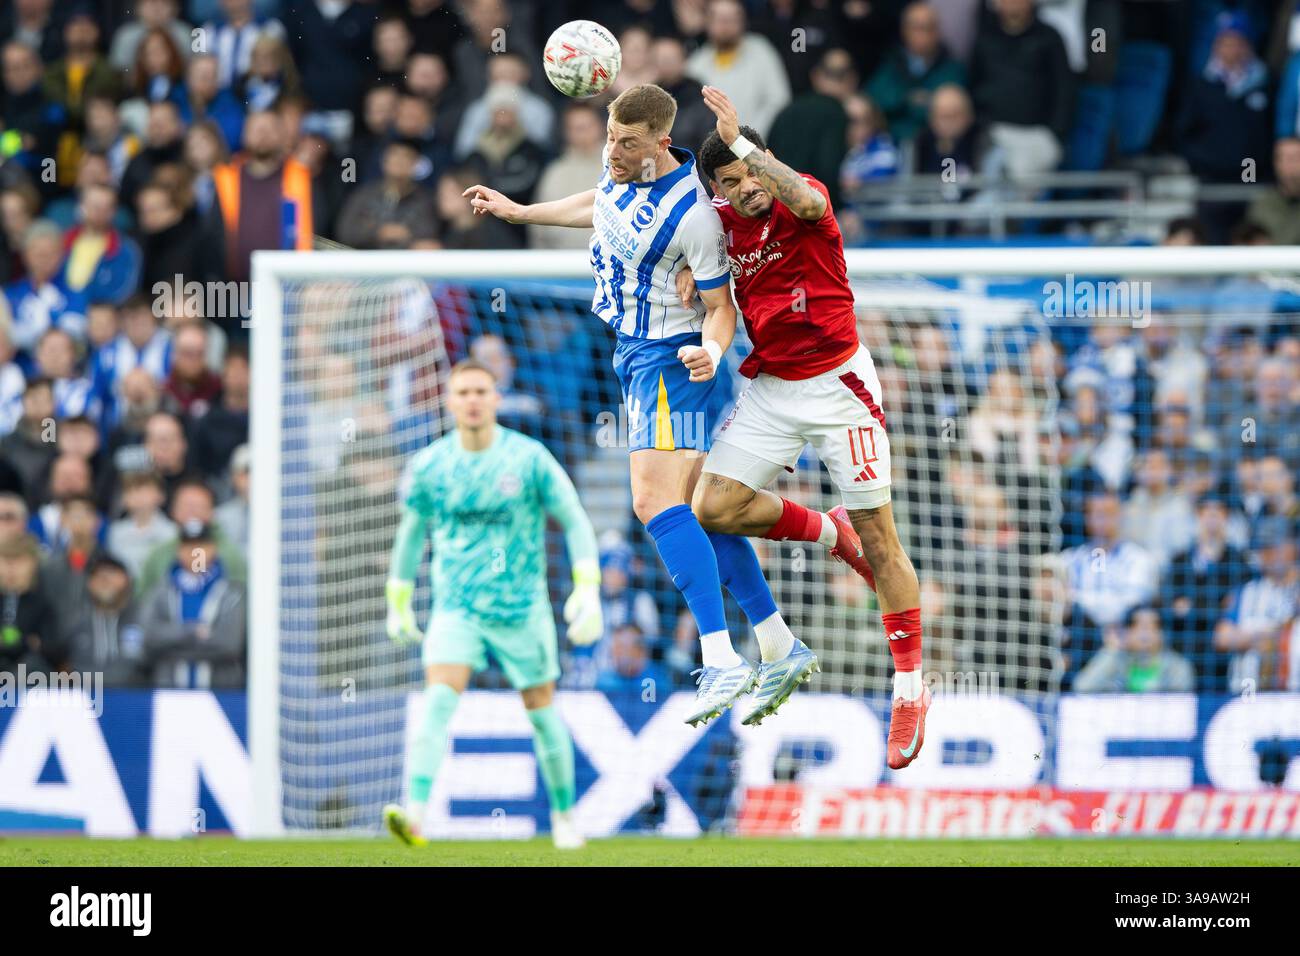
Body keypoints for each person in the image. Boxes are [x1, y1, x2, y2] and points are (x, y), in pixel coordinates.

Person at [462, 83, 804, 729]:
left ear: (659, 142)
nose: (611, 150)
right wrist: (522, 212)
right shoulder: (620, 170)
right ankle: (779, 645)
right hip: (639, 356)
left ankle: (720, 656)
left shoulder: (696, 217)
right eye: (609, 137)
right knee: (708, 514)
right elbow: (602, 205)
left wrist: (708, 347)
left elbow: (721, 304)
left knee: (654, 502)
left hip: (674, 360)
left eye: (625, 142)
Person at [678, 89, 928, 767]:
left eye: (748, 172)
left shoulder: (801, 198)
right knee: (711, 506)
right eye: (729, 182)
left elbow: (813, 203)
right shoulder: (723, 228)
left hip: (838, 385)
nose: (745, 188)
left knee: (882, 540)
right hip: (770, 389)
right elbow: (697, 265)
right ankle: (827, 529)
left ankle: (909, 688)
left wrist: (749, 148)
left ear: (763, 161)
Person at [381, 359, 603, 850]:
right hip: (457, 606)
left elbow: (574, 518)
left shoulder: (528, 458)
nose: (473, 400)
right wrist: (397, 598)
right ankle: (414, 815)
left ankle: (565, 819)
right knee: (438, 699)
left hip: (522, 608)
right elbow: (411, 531)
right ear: (449, 400)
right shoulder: (432, 465)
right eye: (463, 392)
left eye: (481, 390)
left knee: (542, 711)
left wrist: (587, 588)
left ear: (497, 398)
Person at [1074, 605, 1196, 693]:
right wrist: (1111, 650)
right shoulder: (1115, 661)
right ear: (1127, 632)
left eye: (1153, 626)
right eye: (1138, 625)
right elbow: (1083, 687)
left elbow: (1181, 702)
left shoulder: (1177, 666)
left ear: (1162, 633)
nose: (1145, 632)